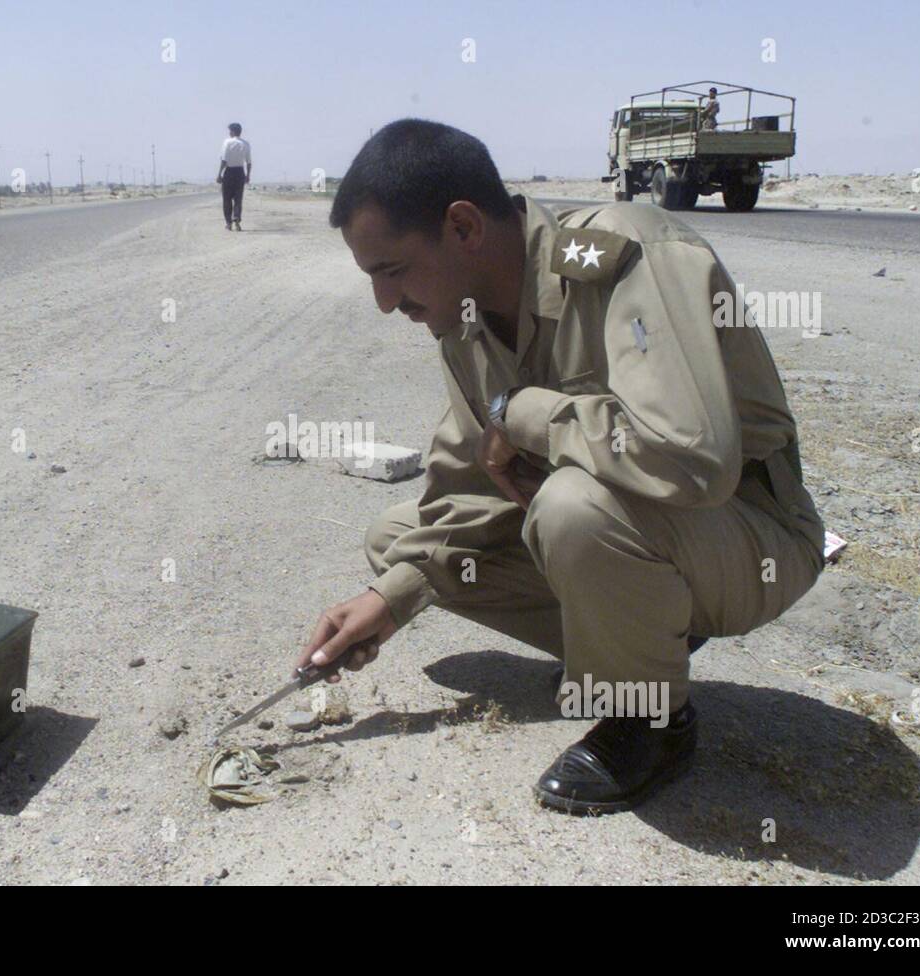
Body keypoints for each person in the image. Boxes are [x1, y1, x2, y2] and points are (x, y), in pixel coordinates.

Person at [297, 119, 825, 815]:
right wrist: (389, 601)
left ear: (462, 227)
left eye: (392, 271)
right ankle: (642, 630)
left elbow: (694, 460)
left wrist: (525, 413)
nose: (385, 303)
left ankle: (652, 723)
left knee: (571, 508)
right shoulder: (464, 325)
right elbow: (464, 487)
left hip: (749, 533)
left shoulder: (623, 255)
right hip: (650, 533)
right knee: (399, 544)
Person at [217, 123, 252, 230]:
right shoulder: (246, 144)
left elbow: (224, 160)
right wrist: (247, 175)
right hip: (240, 172)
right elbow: (249, 162)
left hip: (229, 172)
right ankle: (236, 219)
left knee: (227, 199)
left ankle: (228, 223)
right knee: (238, 198)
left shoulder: (227, 142)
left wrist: (219, 174)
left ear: (232, 131)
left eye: (230, 131)